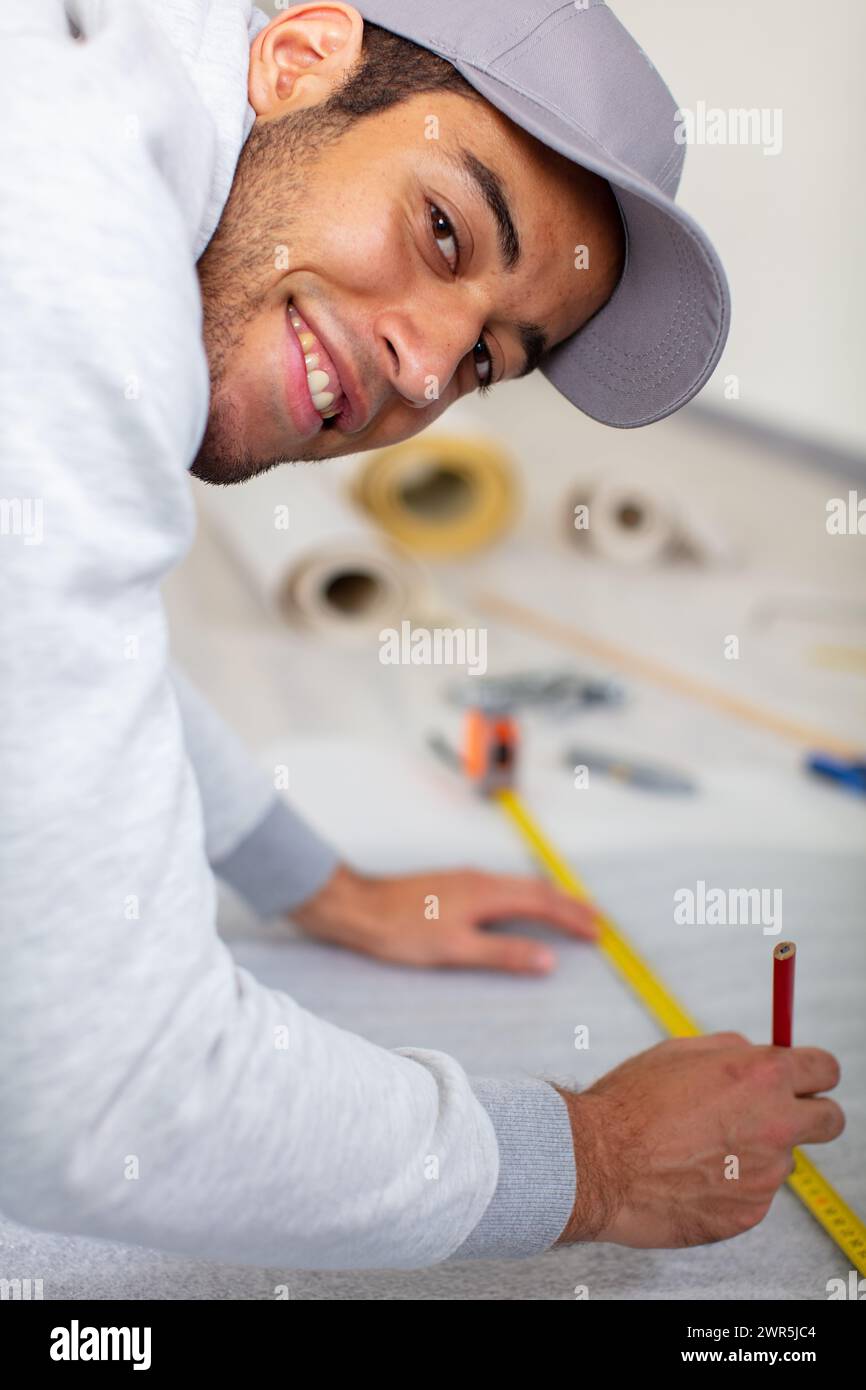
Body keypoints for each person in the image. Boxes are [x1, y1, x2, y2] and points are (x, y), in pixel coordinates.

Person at [0, 0, 843, 1271]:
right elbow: (100, 1091)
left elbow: (53, 659)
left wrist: (318, 886)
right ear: (299, 58)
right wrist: (595, 1158)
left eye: (493, 359)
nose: (428, 369)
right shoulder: (71, 237)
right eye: (442, 229)